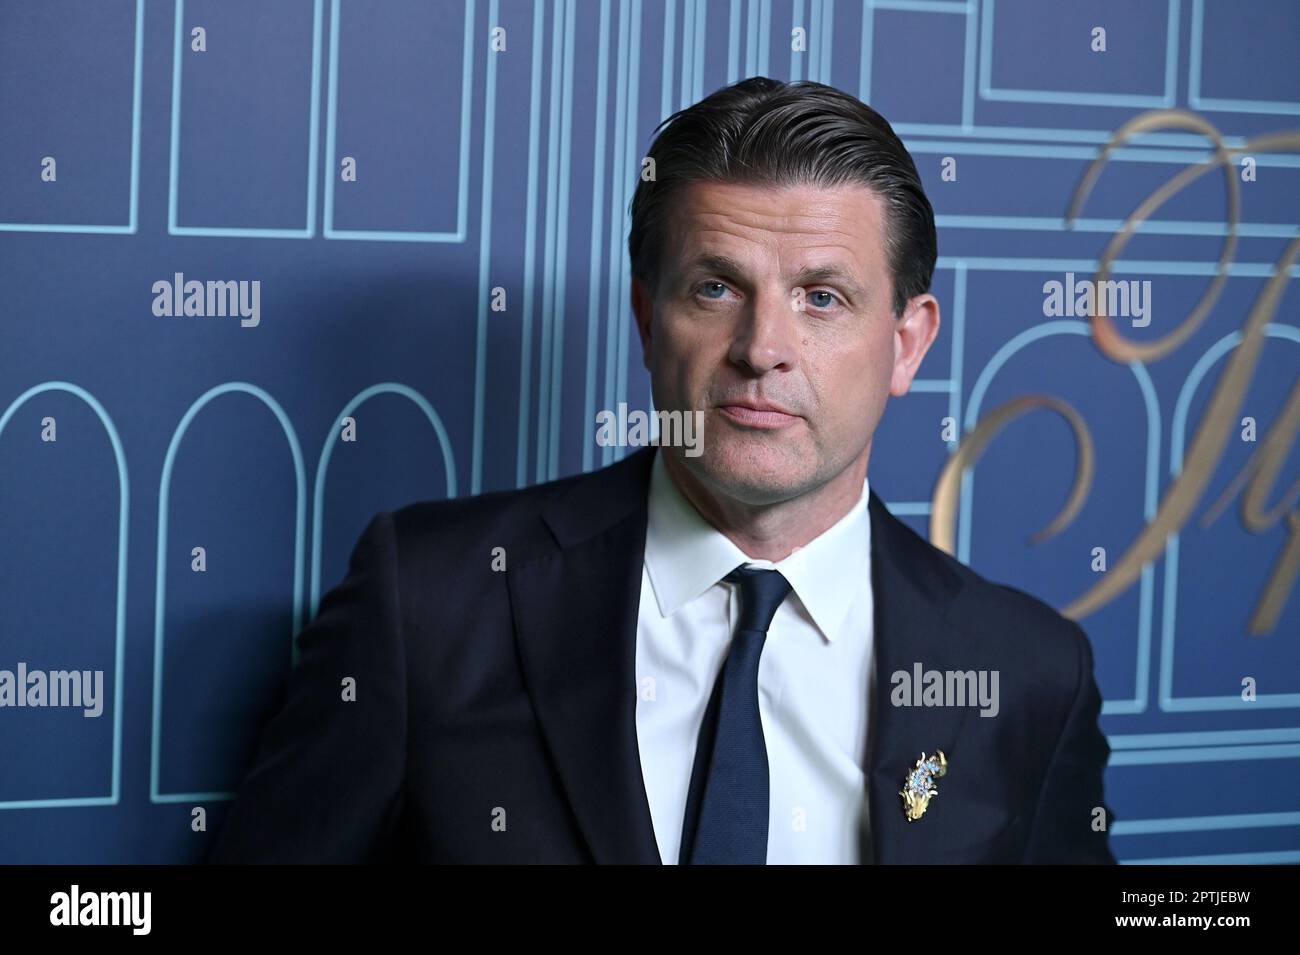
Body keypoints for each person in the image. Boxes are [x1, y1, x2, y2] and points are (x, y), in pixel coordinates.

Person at [208, 77, 1115, 864]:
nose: (763, 348)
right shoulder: (430, 601)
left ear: (907, 343)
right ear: (647, 319)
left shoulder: (1028, 672)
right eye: (715, 287)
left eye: (822, 298)